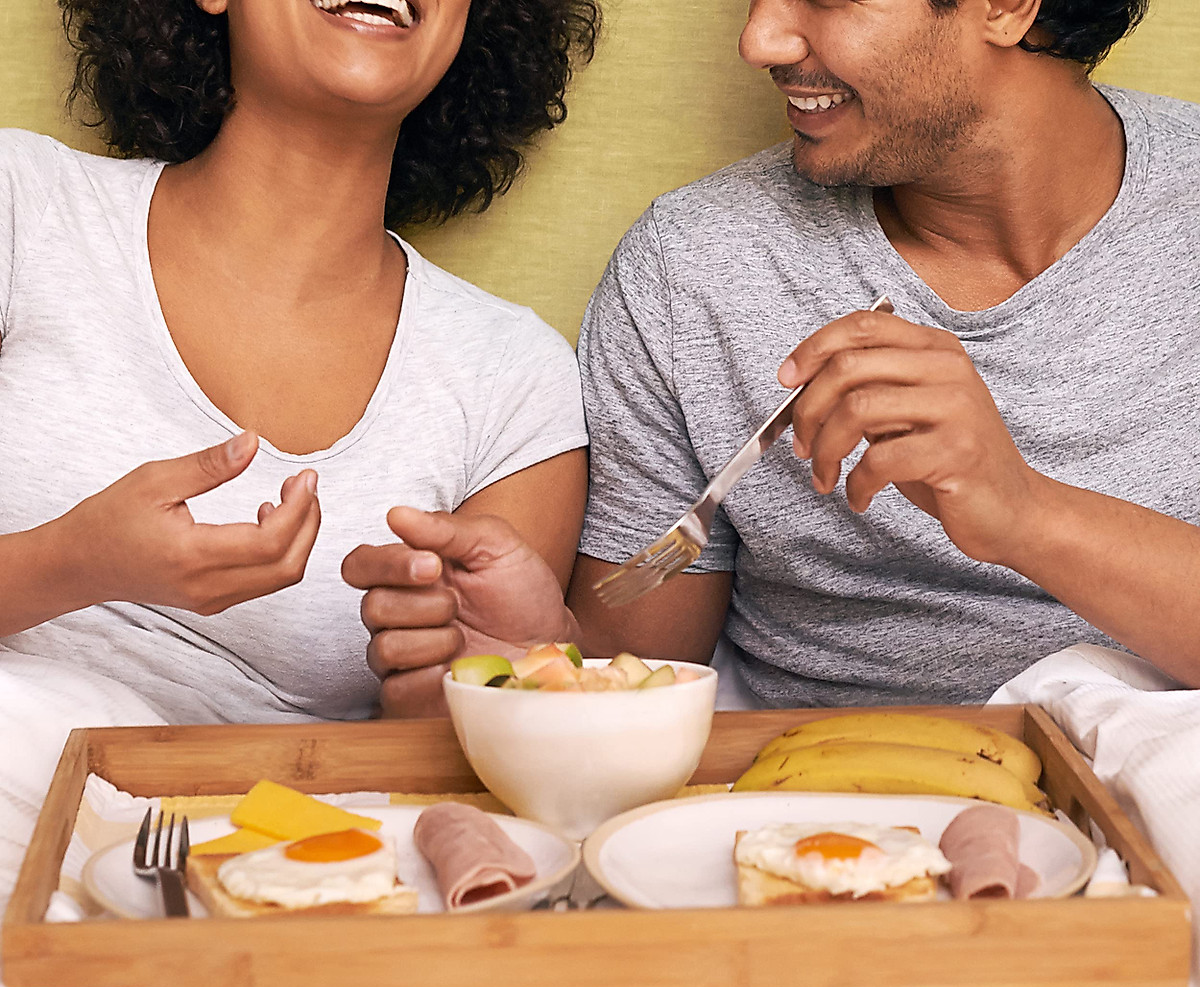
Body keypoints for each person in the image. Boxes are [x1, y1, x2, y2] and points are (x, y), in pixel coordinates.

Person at [360, 0, 1200, 717]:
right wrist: (537, 662)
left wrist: (1025, 514)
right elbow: (643, 671)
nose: (760, 40)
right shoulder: (693, 266)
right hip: (805, 822)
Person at [0, 0, 600, 722]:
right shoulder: (22, 205)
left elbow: (465, 779)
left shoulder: (516, 380)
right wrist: (70, 562)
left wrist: (500, 691)